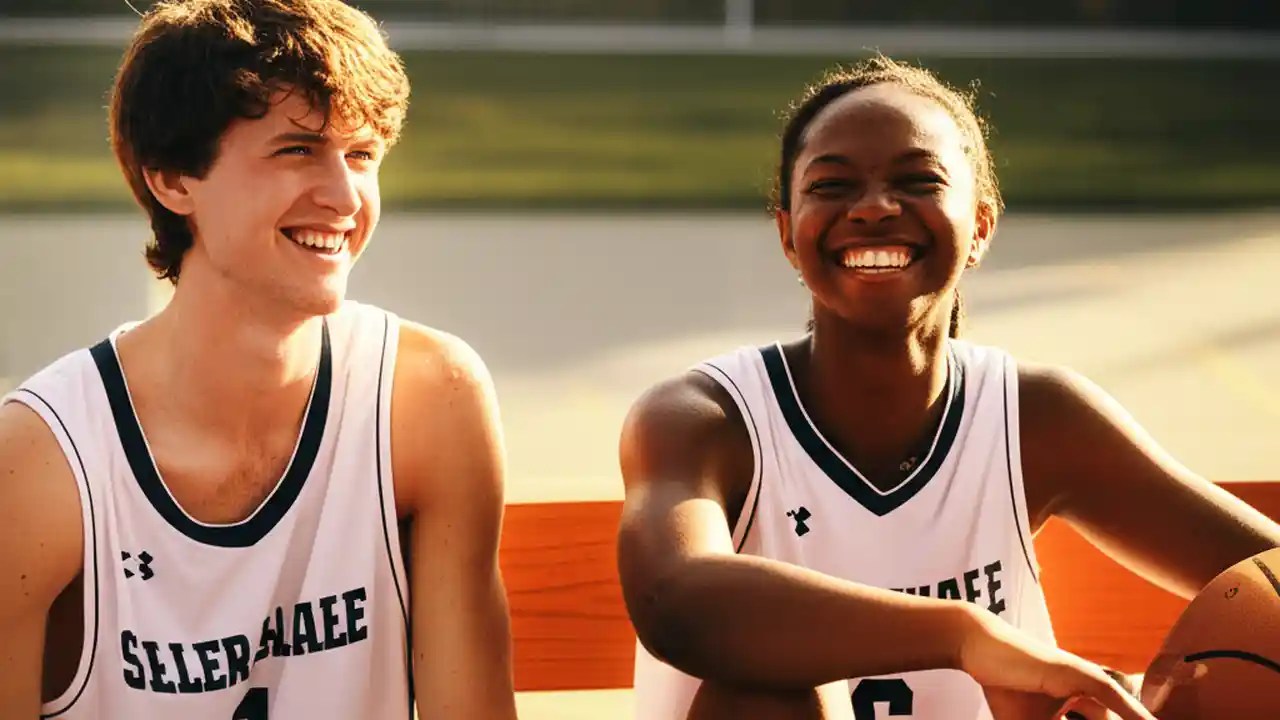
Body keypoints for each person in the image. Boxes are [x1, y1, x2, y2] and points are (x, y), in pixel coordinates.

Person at [617, 55, 1280, 720]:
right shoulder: (704, 418)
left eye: (918, 181)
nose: (873, 207)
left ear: (981, 226)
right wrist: (966, 635)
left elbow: (1268, 575)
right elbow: (674, 599)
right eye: (832, 185)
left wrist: (1164, 697)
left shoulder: (1031, 418)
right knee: (765, 696)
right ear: (788, 234)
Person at [0, 1, 517, 718]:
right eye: (297, 150)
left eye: (362, 155)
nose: (345, 197)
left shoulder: (429, 398)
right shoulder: (42, 461)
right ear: (173, 179)